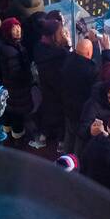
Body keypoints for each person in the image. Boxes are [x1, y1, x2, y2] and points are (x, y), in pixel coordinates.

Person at [32, 15, 70, 151]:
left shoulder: (38, 48)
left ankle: (43, 136)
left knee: (48, 109)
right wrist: (68, 44)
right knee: (61, 113)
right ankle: (61, 142)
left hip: (45, 85)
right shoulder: (61, 53)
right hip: (60, 88)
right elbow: (69, 64)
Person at [60, 35, 103, 154]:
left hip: (67, 106)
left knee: (68, 136)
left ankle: (64, 161)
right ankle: (74, 165)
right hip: (82, 111)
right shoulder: (92, 69)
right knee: (79, 141)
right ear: (89, 53)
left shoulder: (68, 59)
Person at [0, 17, 34, 144]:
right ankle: (18, 138)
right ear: (8, 32)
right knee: (17, 113)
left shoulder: (7, 46)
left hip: (10, 87)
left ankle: (8, 133)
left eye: (18, 26)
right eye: (14, 28)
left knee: (9, 110)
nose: (18, 30)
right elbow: (15, 73)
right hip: (17, 88)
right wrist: (29, 75)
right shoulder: (12, 50)